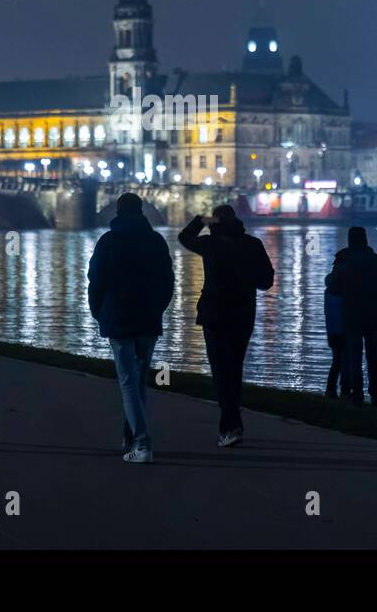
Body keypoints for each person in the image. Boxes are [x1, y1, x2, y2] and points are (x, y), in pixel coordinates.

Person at [87, 192, 175, 463]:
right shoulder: (156, 241)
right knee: (138, 383)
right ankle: (131, 437)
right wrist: (158, 307)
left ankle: (142, 443)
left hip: (119, 318)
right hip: (148, 318)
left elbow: (95, 280)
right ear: (142, 211)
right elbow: (168, 282)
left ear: (118, 211)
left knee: (127, 383)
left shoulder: (109, 241)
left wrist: (98, 312)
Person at [178, 205, 274, 446]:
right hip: (243, 313)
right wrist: (246, 277)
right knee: (234, 368)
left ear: (215, 222)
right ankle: (233, 423)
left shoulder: (211, 245)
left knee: (221, 371)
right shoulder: (252, 244)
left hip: (215, 313)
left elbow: (184, 237)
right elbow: (267, 281)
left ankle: (230, 426)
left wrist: (201, 219)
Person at [325, 226, 377, 406]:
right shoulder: (376, 260)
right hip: (373, 315)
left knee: (354, 356)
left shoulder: (343, 260)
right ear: (365, 239)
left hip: (351, 315)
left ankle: (357, 395)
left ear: (350, 240)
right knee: (372, 355)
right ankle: (376, 394)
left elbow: (334, 288)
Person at [323, 286, 350, 398]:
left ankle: (330, 389)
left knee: (336, 362)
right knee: (345, 362)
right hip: (344, 332)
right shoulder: (345, 294)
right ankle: (345, 390)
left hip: (332, 332)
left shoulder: (328, 292)